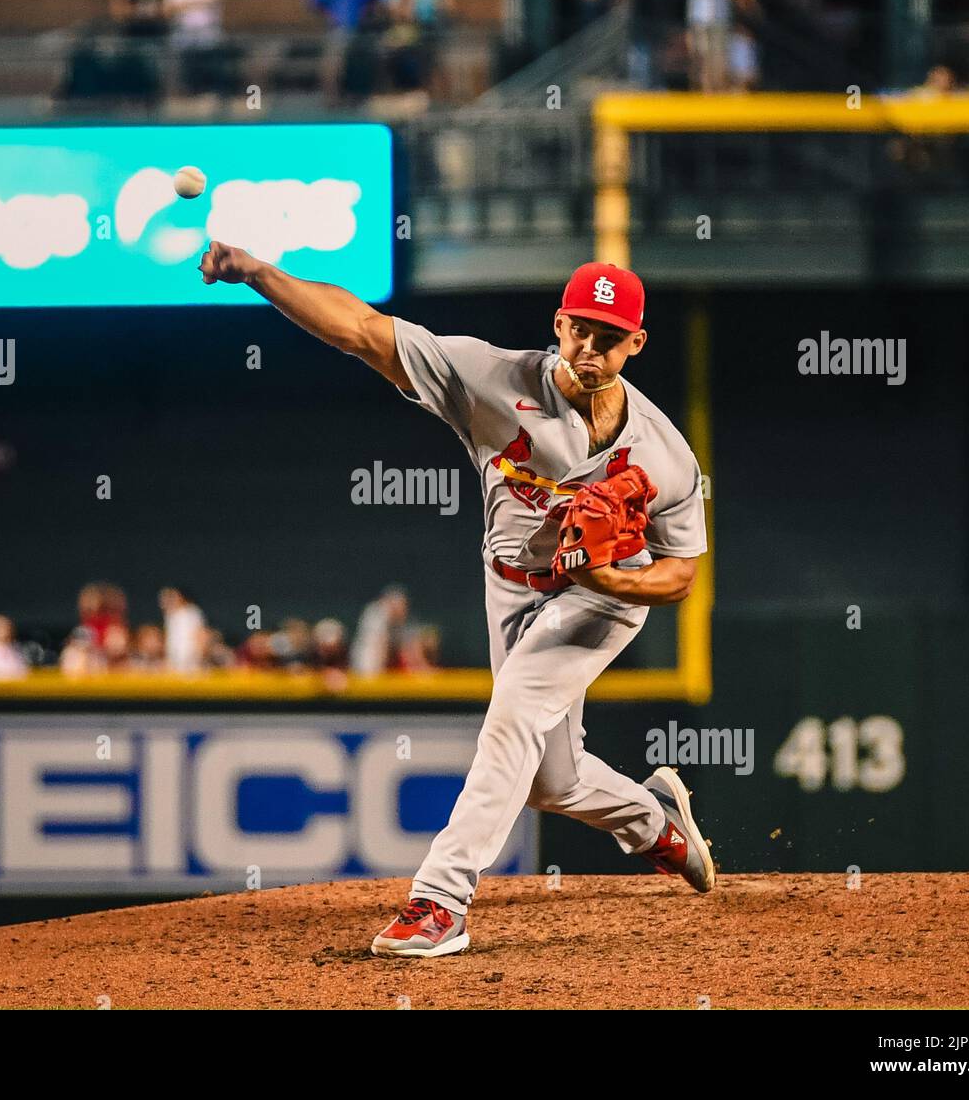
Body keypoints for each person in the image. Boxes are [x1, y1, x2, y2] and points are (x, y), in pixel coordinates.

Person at [197, 241, 714, 959]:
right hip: (510, 584)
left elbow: (682, 571)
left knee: (512, 716)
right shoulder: (492, 378)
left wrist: (613, 581)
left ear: (637, 342)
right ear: (559, 323)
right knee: (551, 781)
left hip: (603, 597)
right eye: (578, 327)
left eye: (608, 335)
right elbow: (360, 330)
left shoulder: (664, 451)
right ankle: (653, 820)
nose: (588, 345)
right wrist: (258, 275)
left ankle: (441, 901)